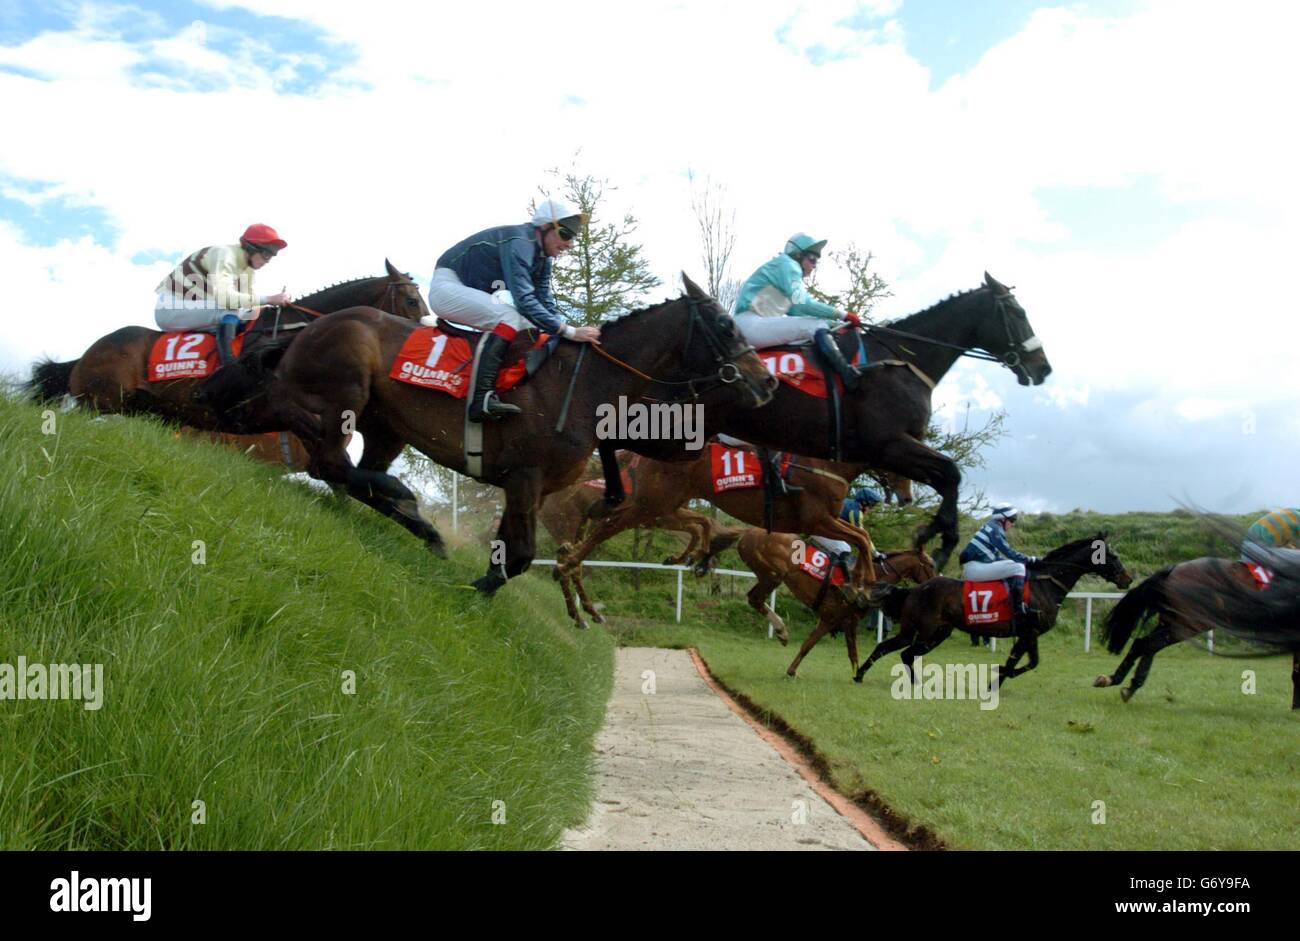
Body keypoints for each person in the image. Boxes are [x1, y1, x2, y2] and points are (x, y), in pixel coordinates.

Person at [428, 198, 603, 422]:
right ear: (545, 227)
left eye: (573, 239)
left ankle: (510, 389)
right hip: (447, 286)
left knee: (529, 324)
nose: (569, 244)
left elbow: (545, 303)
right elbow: (524, 300)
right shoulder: (520, 242)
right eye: (566, 235)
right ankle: (481, 399)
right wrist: (569, 332)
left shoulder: (543, 258)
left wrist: (566, 332)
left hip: (465, 288)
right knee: (511, 316)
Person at [733, 233, 862, 391]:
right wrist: (844, 315)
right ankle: (847, 374)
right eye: (812, 259)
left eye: (817, 262)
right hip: (750, 325)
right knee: (816, 326)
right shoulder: (789, 264)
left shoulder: (782, 271)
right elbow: (805, 303)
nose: (814, 265)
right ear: (798, 255)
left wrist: (837, 324)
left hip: (750, 326)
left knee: (815, 326)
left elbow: (798, 312)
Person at [154, 224, 294, 366]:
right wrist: (270, 299)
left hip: (197, 307)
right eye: (266, 255)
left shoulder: (248, 270)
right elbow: (226, 299)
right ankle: (228, 367)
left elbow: (248, 306)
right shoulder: (225, 254)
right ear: (251, 247)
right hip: (170, 308)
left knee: (247, 316)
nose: (267, 261)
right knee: (229, 310)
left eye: (271, 257)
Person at [959, 505, 1039, 629]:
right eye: (1012, 520)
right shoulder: (995, 529)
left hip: (976, 565)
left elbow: (997, 558)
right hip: (974, 569)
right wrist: (1030, 560)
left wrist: (1018, 561)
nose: (1013, 524)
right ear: (1002, 519)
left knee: (1014, 564)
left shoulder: (992, 526)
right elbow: (1008, 552)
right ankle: (1017, 608)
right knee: (1019, 567)